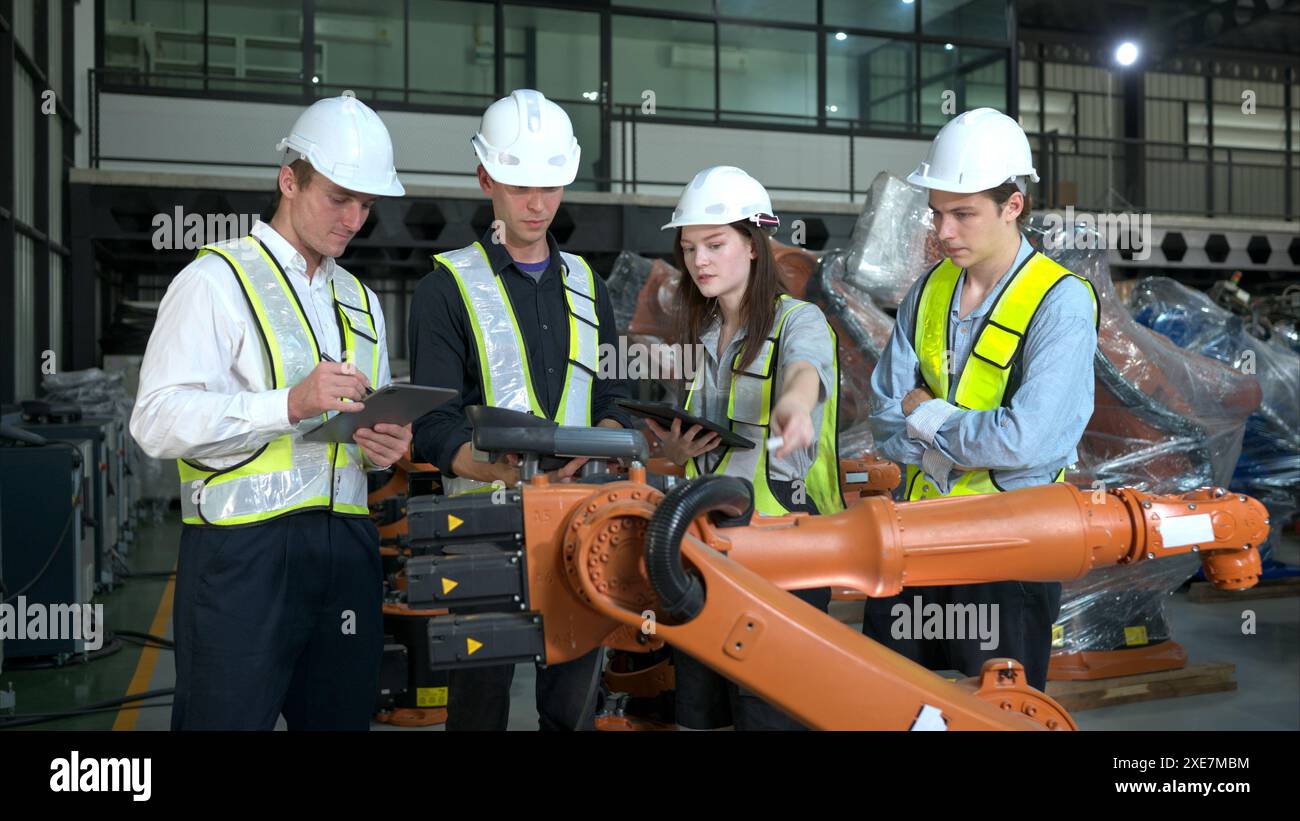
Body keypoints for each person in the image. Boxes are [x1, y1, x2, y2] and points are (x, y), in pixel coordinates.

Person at [131, 95, 412, 729]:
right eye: (339, 198)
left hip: (347, 552)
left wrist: (382, 444)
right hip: (243, 560)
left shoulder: (363, 300)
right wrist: (287, 403)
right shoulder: (215, 281)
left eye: (366, 205)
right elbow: (155, 420)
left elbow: (367, 428)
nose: (353, 219)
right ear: (290, 179)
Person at [408, 89, 633, 730]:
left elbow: (611, 399)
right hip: (484, 528)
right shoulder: (444, 288)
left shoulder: (589, 285)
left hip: (581, 525)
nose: (537, 205)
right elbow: (434, 427)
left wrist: (610, 442)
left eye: (552, 186)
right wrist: (516, 474)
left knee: (574, 710)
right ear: (486, 178)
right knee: (478, 713)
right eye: (519, 186)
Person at [862, 108, 1099, 692]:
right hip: (914, 540)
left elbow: (1027, 441)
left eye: (963, 215)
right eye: (938, 213)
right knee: (890, 701)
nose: (944, 232)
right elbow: (883, 416)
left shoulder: (1060, 302)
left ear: (1013, 205)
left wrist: (928, 413)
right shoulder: (927, 290)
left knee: (995, 713)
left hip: (1008, 553)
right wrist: (957, 436)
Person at [648, 165, 844, 730]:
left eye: (715, 244)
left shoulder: (797, 320)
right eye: (689, 249)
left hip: (786, 553)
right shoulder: (704, 334)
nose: (699, 261)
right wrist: (679, 450)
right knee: (700, 708)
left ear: (754, 246)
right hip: (710, 547)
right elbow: (702, 449)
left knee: (768, 712)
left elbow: (805, 370)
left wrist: (794, 405)